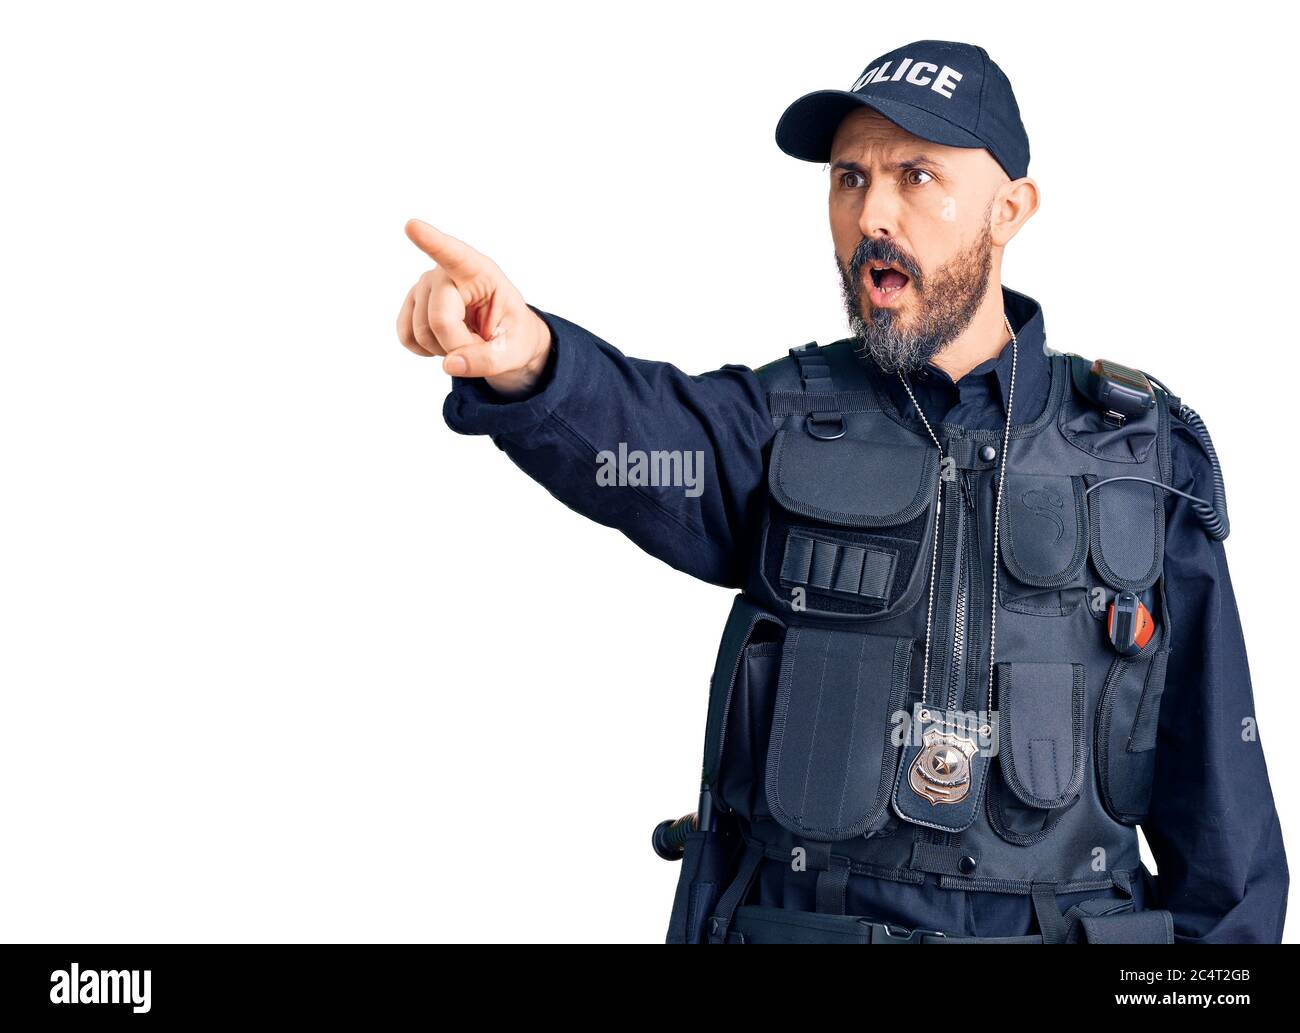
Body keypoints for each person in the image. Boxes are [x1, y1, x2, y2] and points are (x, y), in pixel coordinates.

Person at [395, 40, 1287, 943]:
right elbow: (644, 441)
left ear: (1010, 209)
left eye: (916, 175)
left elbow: (1225, 826)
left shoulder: (1141, 456)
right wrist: (534, 364)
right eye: (850, 179)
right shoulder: (781, 424)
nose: (874, 214)